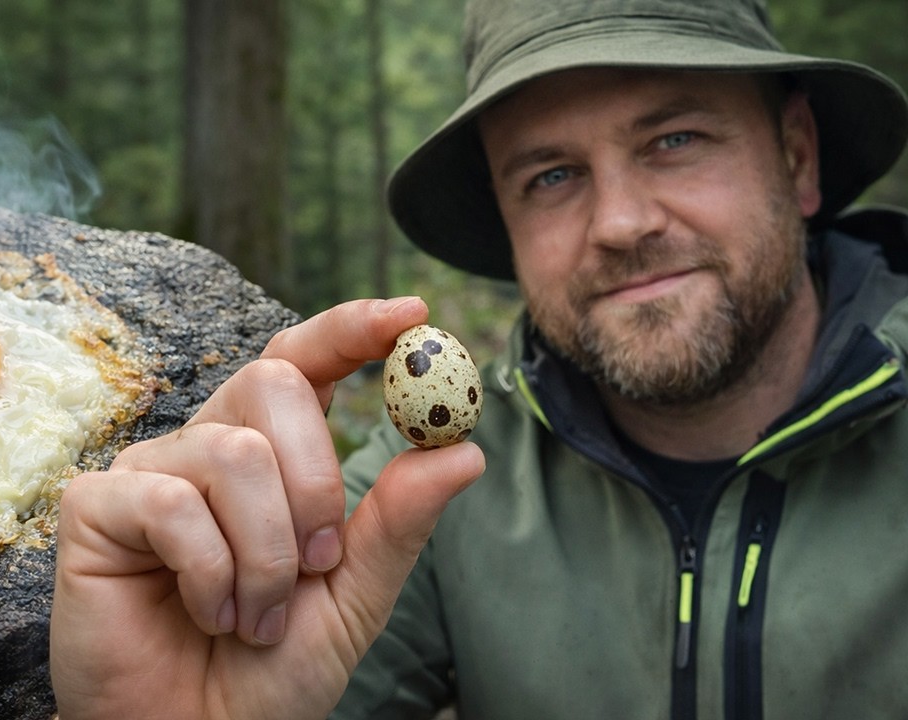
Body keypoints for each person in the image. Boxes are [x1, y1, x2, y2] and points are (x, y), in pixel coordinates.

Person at [49, 0, 908, 717]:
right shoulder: (428, 497)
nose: (619, 223)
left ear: (796, 154)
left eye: (675, 139)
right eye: (550, 176)